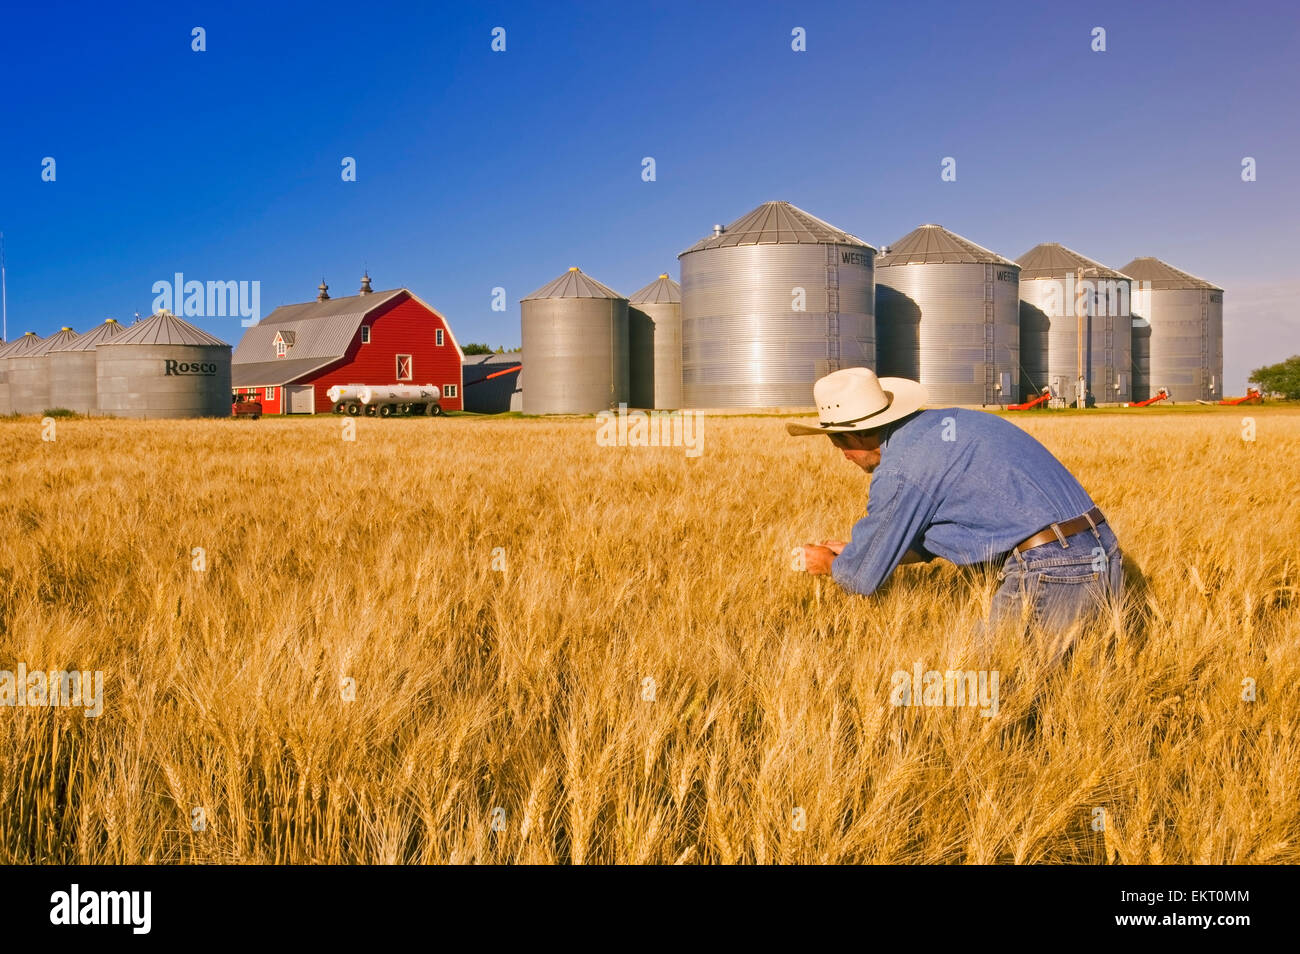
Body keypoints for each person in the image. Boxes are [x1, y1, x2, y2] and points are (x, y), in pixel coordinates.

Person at [788, 368, 1123, 653]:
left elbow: (862, 579)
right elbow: (950, 524)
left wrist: (831, 565)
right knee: (1064, 698)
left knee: (988, 691)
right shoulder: (949, 425)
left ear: (858, 435)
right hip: (1103, 550)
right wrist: (870, 551)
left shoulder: (899, 470)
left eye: (838, 442)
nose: (841, 455)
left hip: (1053, 566)